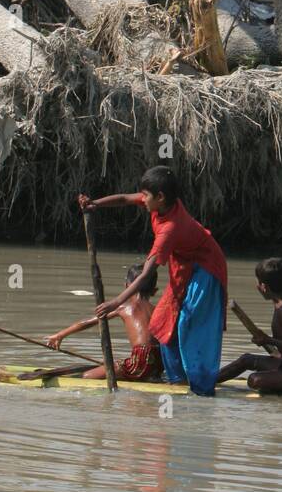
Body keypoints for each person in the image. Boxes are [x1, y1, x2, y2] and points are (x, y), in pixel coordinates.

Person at [78, 167, 228, 396]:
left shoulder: (169, 229)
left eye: (146, 195)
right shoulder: (158, 202)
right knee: (161, 323)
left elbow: (147, 273)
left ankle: (201, 384)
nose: (142, 198)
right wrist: (94, 204)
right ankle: (177, 379)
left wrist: (115, 301)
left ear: (160, 198)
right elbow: (125, 198)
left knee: (189, 324)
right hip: (185, 264)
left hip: (206, 266)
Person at [215, 258, 282, 399]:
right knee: (246, 359)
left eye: (258, 282)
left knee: (254, 380)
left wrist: (268, 339)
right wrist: (269, 343)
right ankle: (210, 381)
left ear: (263, 287)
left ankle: (281, 389)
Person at [44, 263, 162, 382]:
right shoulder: (158, 310)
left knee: (85, 377)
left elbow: (88, 322)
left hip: (140, 360)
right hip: (160, 361)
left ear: (127, 286)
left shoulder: (124, 306)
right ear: (154, 291)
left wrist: (60, 335)